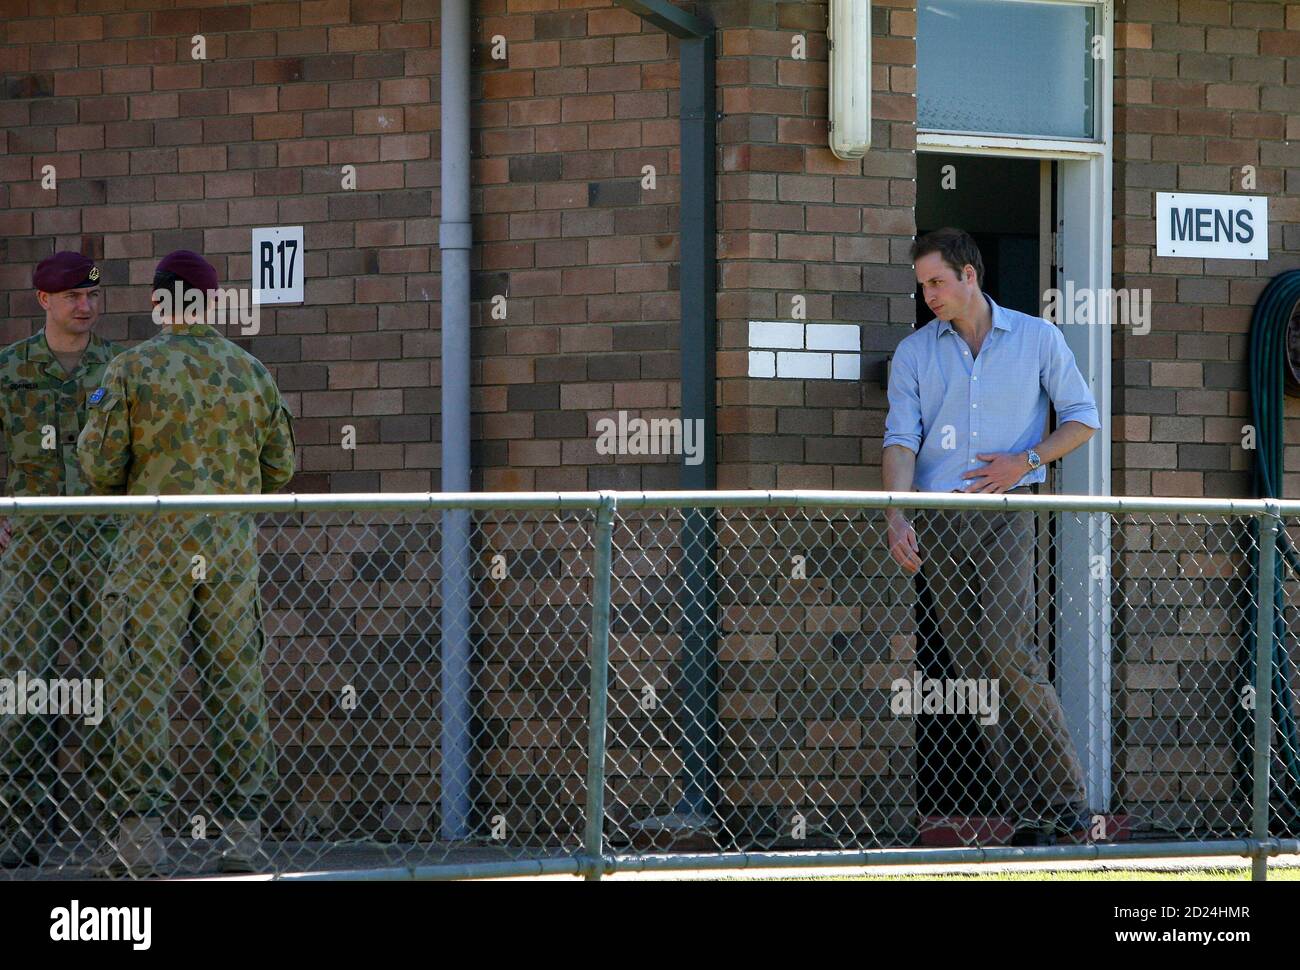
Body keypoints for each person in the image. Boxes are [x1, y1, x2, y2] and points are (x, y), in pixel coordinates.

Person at [78, 250, 295, 876]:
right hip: (227, 554)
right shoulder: (249, 371)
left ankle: (141, 843)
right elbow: (280, 466)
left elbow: (97, 467)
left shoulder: (133, 369)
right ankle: (243, 839)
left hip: (150, 554)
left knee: (141, 691)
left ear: (159, 300)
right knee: (236, 689)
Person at [882, 227, 1101, 846]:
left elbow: (1083, 418)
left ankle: (1067, 802)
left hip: (1007, 514)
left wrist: (1025, 462)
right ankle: (1028, 812)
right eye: (922, 284)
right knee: (975, 666)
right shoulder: (915, 353)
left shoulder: (1036, 337)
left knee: (1008, 649)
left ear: (970, 274)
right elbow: (900, 440)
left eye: (936, 281)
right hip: (939, 520)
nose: (927, 295)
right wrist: (897, 514)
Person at [0, 252, 122, 869]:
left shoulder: (120, 369)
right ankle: (19, 824)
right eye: (73, 295)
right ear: (43, 300)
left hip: (104, 546)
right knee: (25, 688)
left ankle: (113, 830)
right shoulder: (10, 370)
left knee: (108, 686)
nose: (86, 305)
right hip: (33, 550)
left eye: (92, 295)